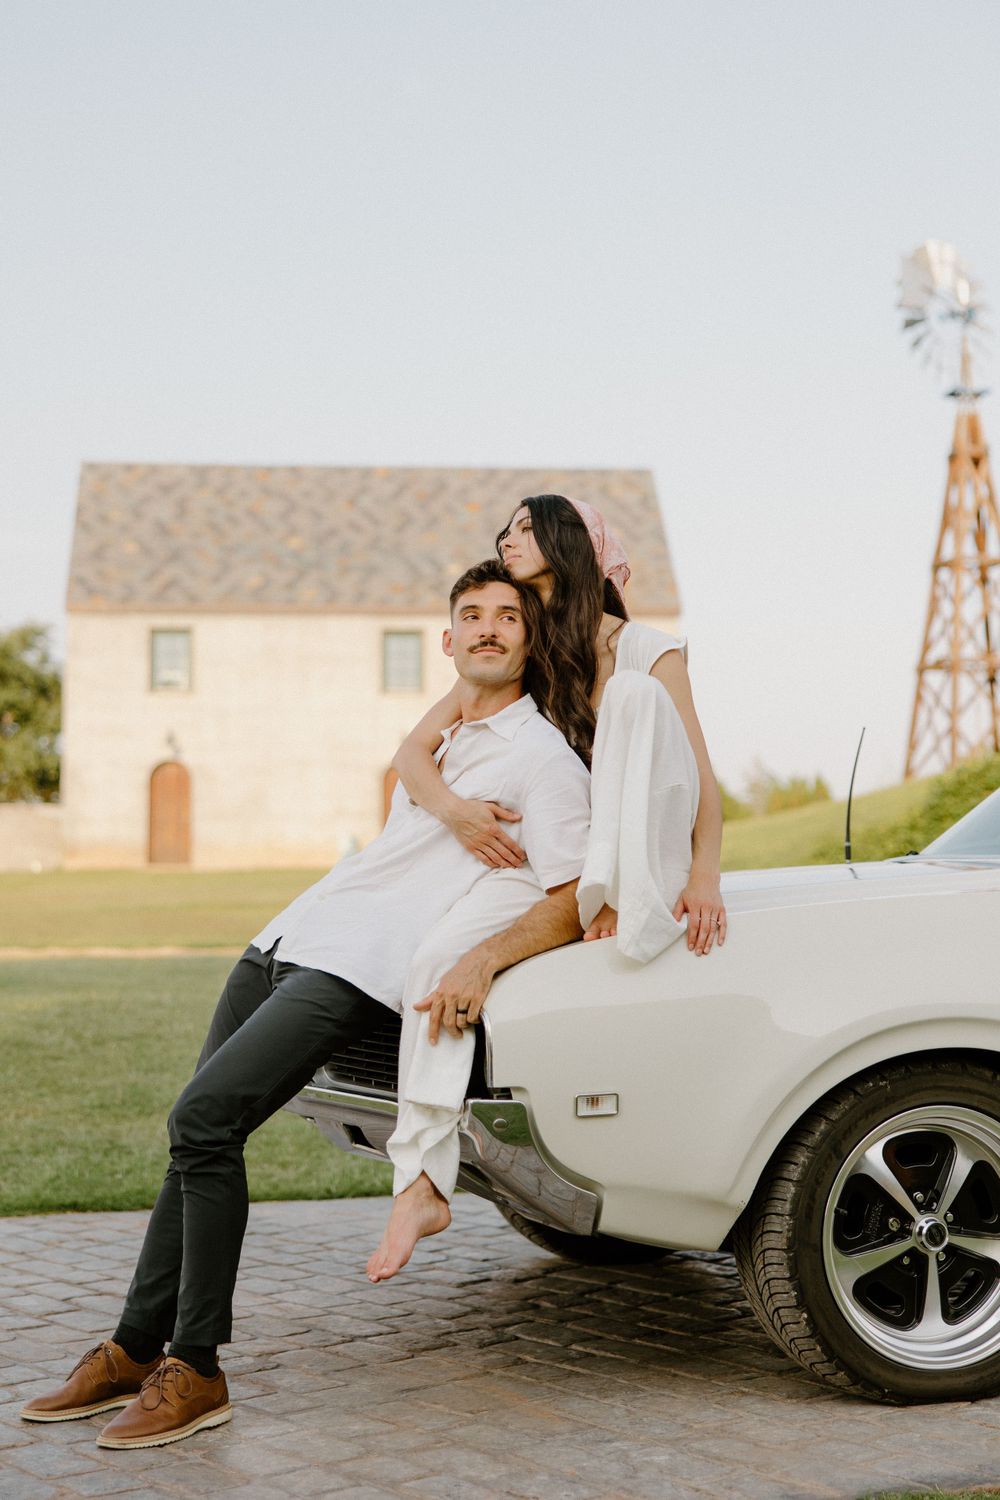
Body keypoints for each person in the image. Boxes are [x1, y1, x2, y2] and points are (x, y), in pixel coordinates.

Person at [20, 559, 591, 1450]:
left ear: (529, 637)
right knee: (195, 1140)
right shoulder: (439, 740)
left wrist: (483, 959)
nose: (487, 627)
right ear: (445, 640)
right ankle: (134, 1347)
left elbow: (571, 894)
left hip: (358, 970)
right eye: (470, 615)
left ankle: (196, 1365)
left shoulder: (543, 758)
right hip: (287, 939)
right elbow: (413, 766)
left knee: (204, 1118)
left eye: (507, 616)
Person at [366, 494, 725, 1283]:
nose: (509, 539)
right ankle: (419, 1181)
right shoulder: (529, 645)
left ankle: (613, 902)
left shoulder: (645, 649)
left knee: (632, 703)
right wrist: (459, 815)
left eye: (527, 528)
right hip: (557, 856)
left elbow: (697, 774)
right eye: (506, 531)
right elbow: (413, 752)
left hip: (638, 854)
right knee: (433, 963)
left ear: (574, 543)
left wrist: (703, 874)